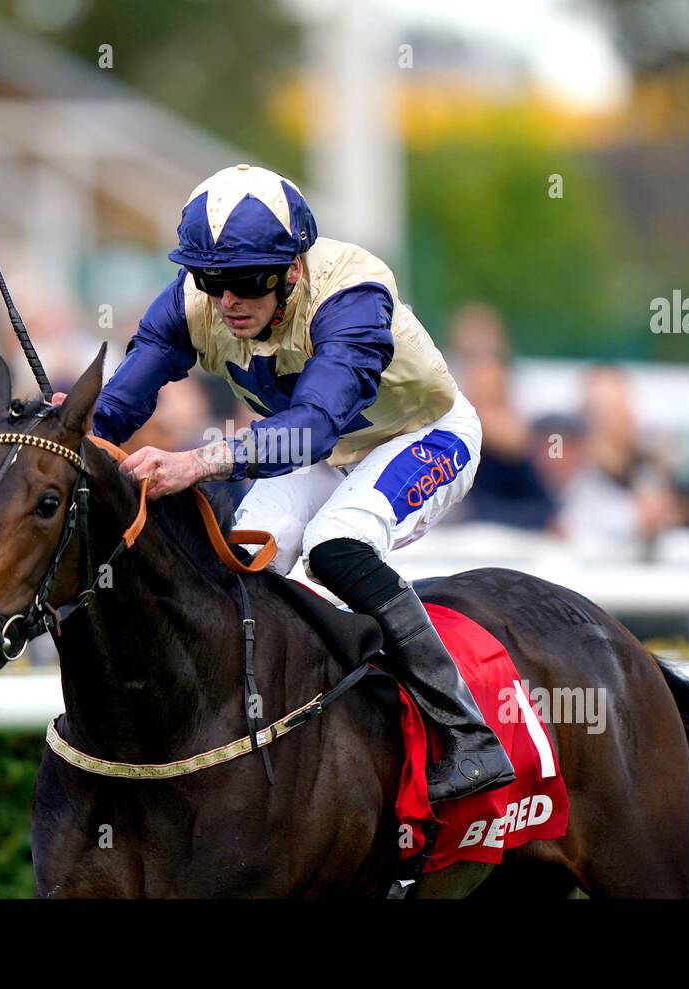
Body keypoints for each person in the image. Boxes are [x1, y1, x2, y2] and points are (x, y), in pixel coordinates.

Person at [71, 164, 514, 802]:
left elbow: (309, 430)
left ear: (294, 270)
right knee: (246, 553)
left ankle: (466, 731)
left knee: (337, 545)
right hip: (324, 448)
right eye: (211, 279)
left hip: (419, 436)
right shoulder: (197, 301)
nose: (227, 301)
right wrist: (62, 428)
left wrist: (199, 461)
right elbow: (119, 405)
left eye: (247, 281)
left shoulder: (354, 295)